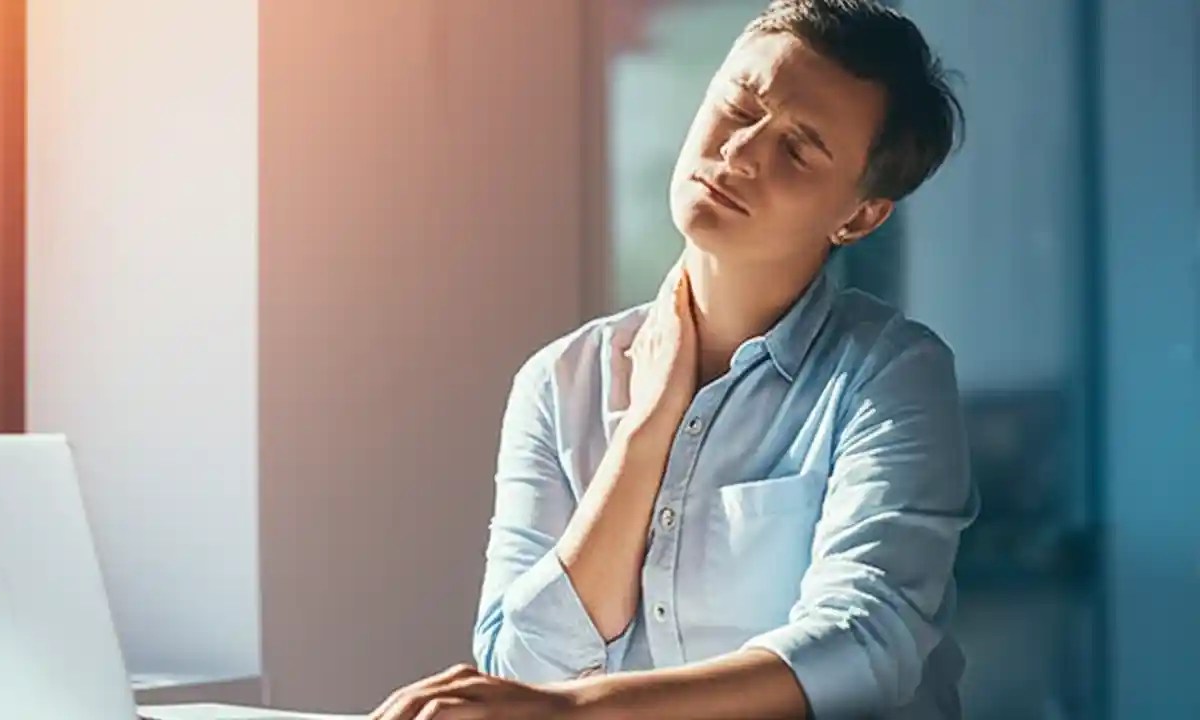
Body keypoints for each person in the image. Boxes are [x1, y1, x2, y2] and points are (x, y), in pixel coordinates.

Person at [369, 1, 976, 718]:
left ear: (859, 216)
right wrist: (648, 428)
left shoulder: (890, 376)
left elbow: (865, 645)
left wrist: (579, 709)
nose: (742, 151)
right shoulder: (560, 382)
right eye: (739, 105)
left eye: (798, 149)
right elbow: (521, 661)